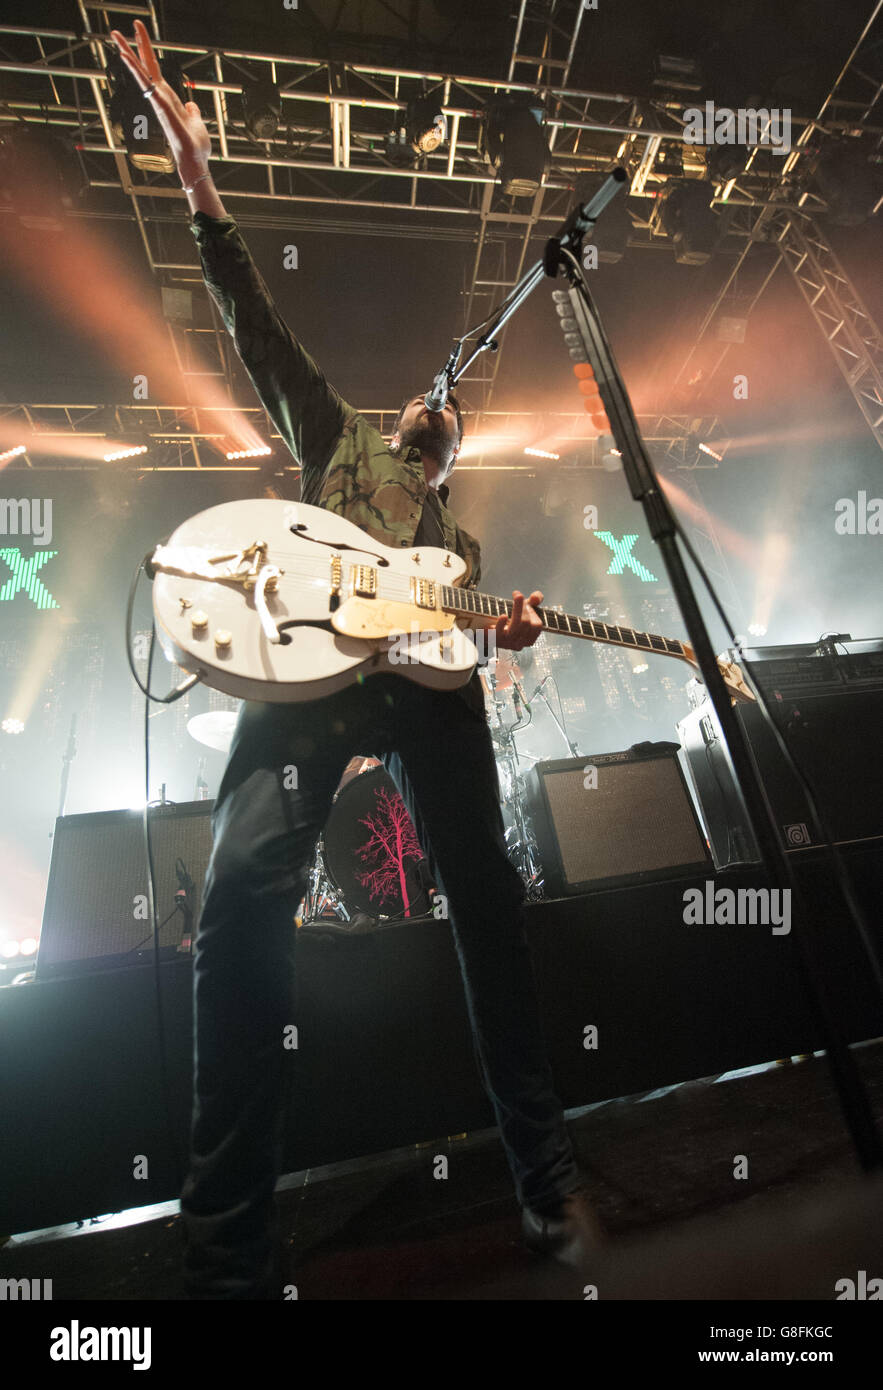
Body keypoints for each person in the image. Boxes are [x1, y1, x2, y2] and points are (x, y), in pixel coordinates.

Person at [112, 22, 605, 1298]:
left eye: (454, 427)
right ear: (404, 422)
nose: (442, 421)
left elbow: (472, 631)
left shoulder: (462, 541)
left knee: (489, 906)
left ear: (450, 452)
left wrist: (506, 628)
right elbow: (250, 313)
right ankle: (228, 1253)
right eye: (432, 411)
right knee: (236, 910)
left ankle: (545, 1182)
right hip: (312, 681)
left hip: (431, 690)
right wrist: (197, 166)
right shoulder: (337, 448)